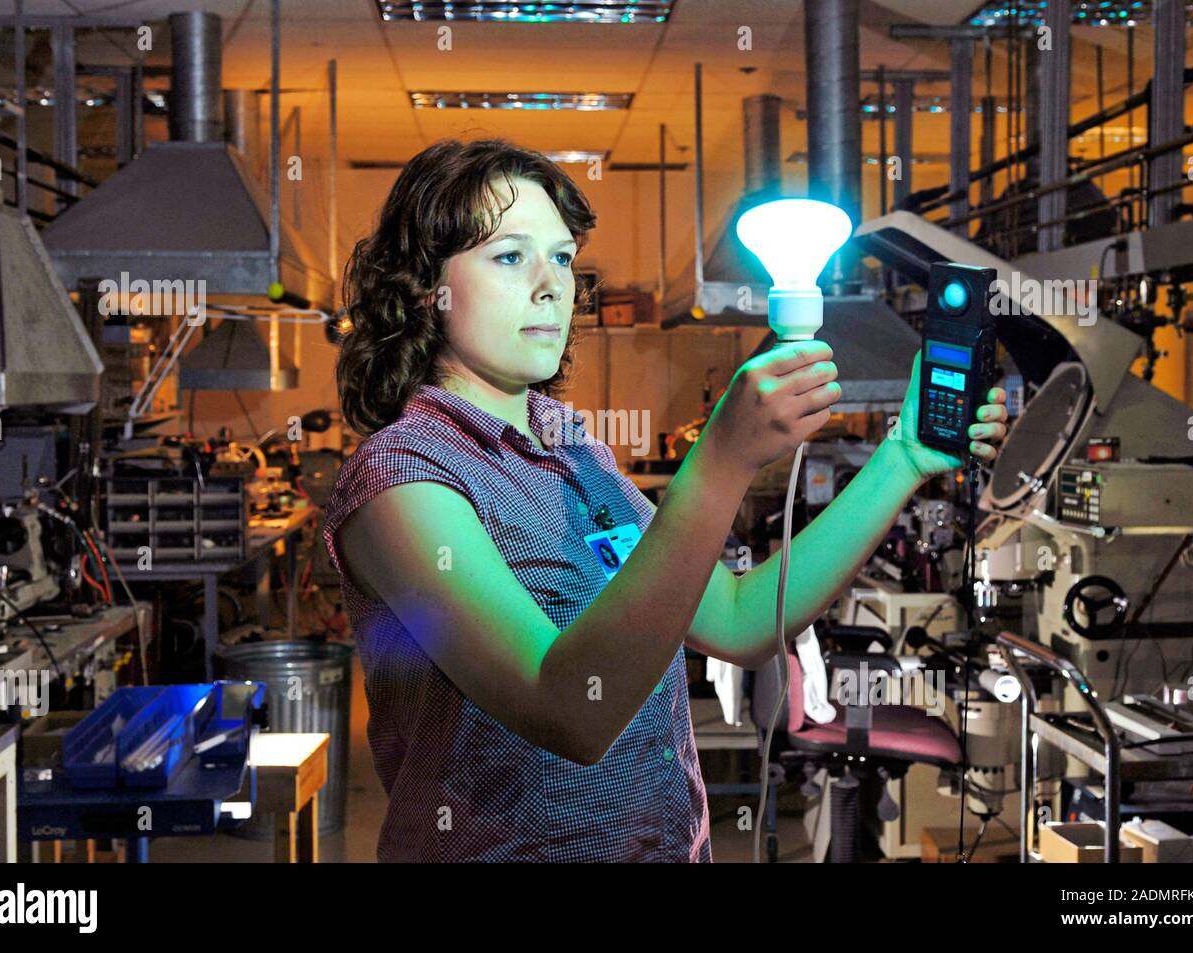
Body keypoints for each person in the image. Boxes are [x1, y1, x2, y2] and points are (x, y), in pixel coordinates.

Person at [323, 138, 1008, 862]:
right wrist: (718, 464)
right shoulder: (401, 480)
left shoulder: (576, 454)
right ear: (430, 286)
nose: (552, 284)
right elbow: (571, 709)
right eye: (509, 256)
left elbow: (742, 619)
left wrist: (901, 459)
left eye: (560, 257)